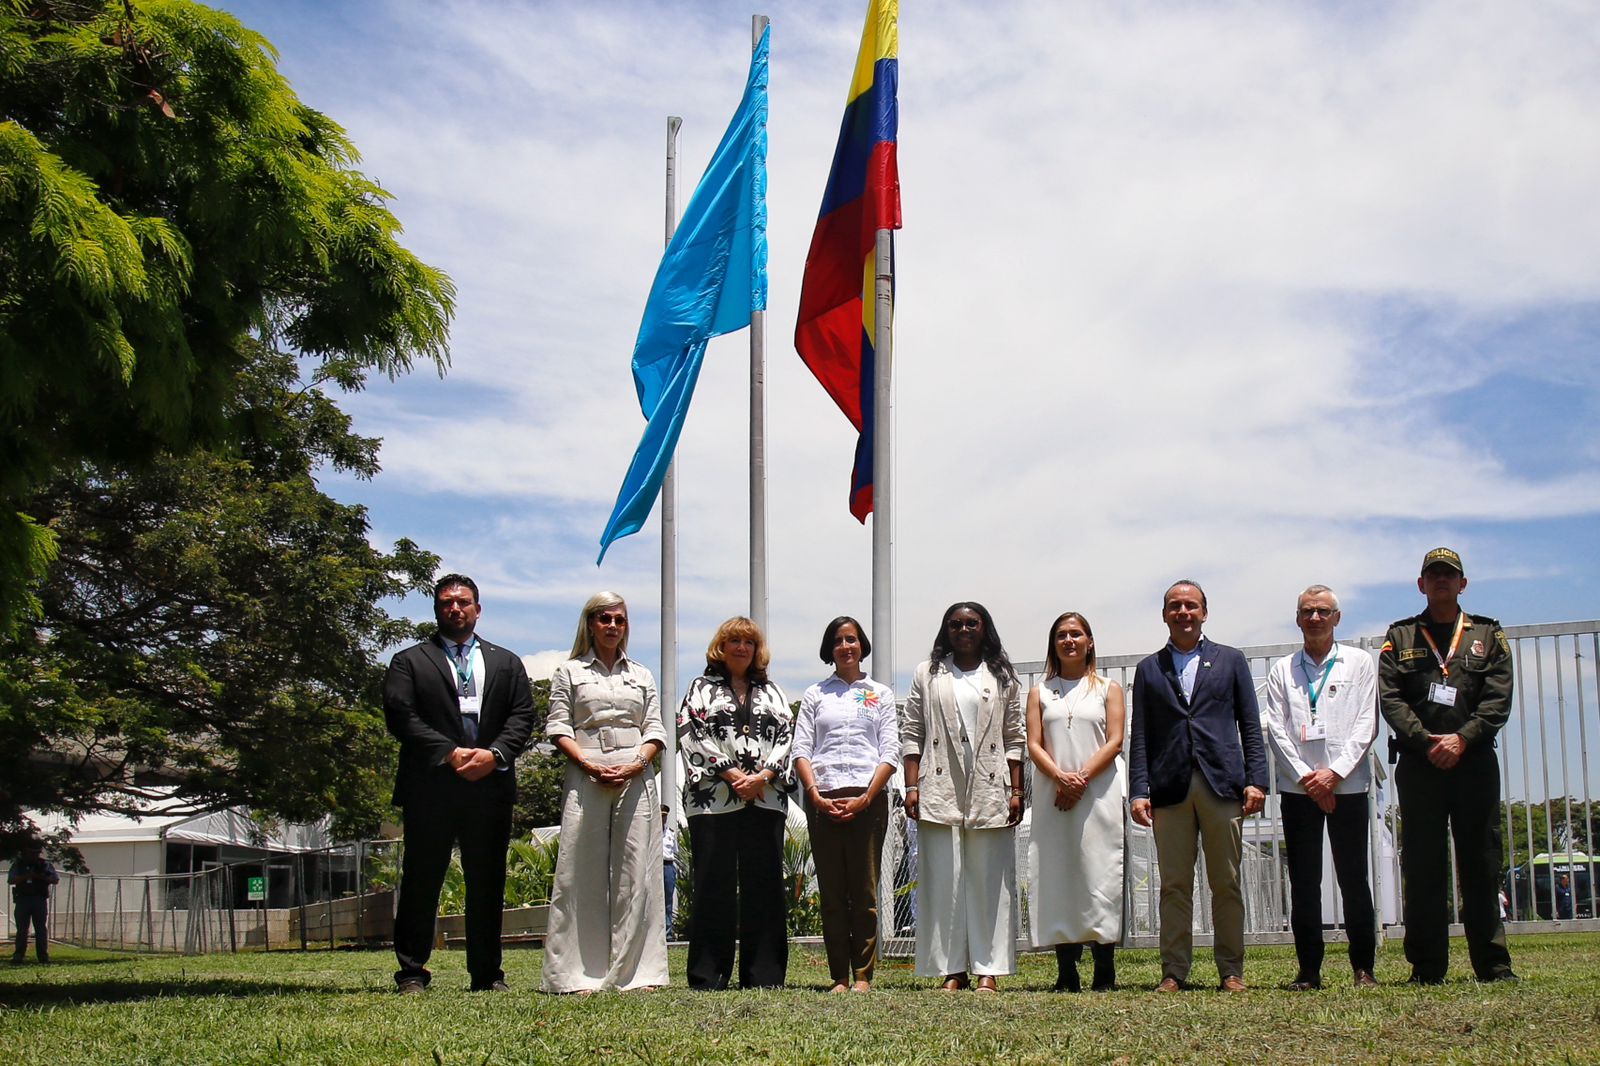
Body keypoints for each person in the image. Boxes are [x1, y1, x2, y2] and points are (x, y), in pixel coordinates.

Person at [384, 573, 537, 994]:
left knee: (487, 882)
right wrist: (450, 753)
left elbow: (522, 715)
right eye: (446, 603)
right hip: (431, 786)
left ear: (477, 609)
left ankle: (487, 975)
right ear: (437, 610)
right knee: (422, 879)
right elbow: (401, 715)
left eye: (463, 602)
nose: (455, 608)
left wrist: (495, 755)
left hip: (490, 787)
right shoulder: (410, 661)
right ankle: (412, 972)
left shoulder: (506, 661)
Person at [1380, 548, 1517, 984]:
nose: (1441, 580)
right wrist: (1426, 742)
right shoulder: (1400, 636)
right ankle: (1427, 968)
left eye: (1449, 574)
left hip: (1474, 761)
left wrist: (1462, 739)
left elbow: (1498, 699)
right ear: (1421, 584)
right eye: (1433, 574)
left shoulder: (1487, 634)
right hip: (1420, 767)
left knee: (1482, 862)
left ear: (1463, 584)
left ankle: (1493, 966)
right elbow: (1391, 698)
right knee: (1423, 867)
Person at [1130, 580, 1268, 993]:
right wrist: (1139, 790)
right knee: (1174, 884)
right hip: (1170, 788)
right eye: (1175, 606)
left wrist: (1256, 780)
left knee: (1225, 881)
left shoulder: (1231, 660)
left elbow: (1250, 726)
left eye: (1191, 605)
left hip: (1222, 784)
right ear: (1165, 615)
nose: (1183, 612)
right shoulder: (1148, 669)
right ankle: (1174, 971)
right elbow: (1140, 736)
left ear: (1204, 612)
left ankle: (1231, 970)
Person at [541, 592, 668, 993]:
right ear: (590, 624)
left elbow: (656, 729)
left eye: (620, 620)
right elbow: (559, 726)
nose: (613, 626)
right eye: (605, 619)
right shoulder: (568, 672)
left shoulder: (642, 675)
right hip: (586, 771)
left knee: (638, 873)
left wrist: (637, 763)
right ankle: (575, 975)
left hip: (636, 772)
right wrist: (589, 764)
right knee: (580, 871)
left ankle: (639, 974)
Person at [902, 602, 1025, 993]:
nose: (964, 630)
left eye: (972, 623)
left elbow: (1014, 737)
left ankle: (988, 967)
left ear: (984, 628)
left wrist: (1017, 790)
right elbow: (911, 731)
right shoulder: (928, 673)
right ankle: (951, 969)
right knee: (943, 878)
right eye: (955, 624)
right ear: (946, 630)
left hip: (991, 785)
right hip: (939, 783)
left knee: (990, 879)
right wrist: (911, 786)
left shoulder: (1003, 676)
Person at [1262, 585, 1380, 990]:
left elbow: (1367, 723)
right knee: (1304, 882)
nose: (1315, 618)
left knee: (1353, 878)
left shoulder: (1360, 663)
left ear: (1337, 618)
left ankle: (1364, 968)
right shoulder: (1283, 670)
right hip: (1299, 790)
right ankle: (1309, 970)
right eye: (1307, 611)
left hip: (1347, 786)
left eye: (1323, 611)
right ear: (1297, 618)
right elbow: (1275, 729)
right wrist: (1309, 778)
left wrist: (1335, 774)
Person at [677, 616, 795, 989]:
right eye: (734, 641)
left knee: (765, 885)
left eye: (749, 642)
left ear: (757, 649)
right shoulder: (700, 688)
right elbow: (690, 732)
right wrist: (731, 774)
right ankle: (708, 975)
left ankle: (764, 975)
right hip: (713, 801)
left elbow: (789, 735)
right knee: (714, 884)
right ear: (721, 647)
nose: (742, 648)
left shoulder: (773, 691)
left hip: (765, 798)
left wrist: (763, 777)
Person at [793, 616, 900, 993]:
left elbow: (890, 750)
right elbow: (802, 749)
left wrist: (868, 797)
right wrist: (814, 795)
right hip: (823, 798)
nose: (846, 646)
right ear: (830, 649)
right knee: (833, 892)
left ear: (862, 645)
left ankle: (863, 974)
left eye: (852, 639)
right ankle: (838, 974)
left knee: (865, 891)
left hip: (867, 797)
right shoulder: (815, 695)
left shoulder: (880, 694)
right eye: (838, 640)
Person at [1025, 612, 1127, 992]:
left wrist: (1080, 779)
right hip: (1054, 797)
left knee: (1099, 873)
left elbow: (1115, 740)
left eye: (1076, 634)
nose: (1069, 641)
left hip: (1097, 794)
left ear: (1090, 641)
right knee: (1058, 873)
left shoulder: (1108, 688)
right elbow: (1034, 744)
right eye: (1062, 635)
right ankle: (1066, 970)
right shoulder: (1040, 692)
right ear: (1053, 644)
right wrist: (1059, 779)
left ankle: (1105, 967)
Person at [9, 842, 59, 964]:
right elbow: (11, 880)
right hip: (23, 899)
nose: (33, 856)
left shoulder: (45, 865)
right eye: (31, 853)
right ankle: (18, 955)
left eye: (36, 853)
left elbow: (55, 879)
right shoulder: (18, 865)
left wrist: (39, 877)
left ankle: (43, 956)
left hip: (39, 899)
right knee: (22, 929)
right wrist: (26, 876)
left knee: (41, 929)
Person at [662, 804, 680, 937]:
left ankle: (668, 933)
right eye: (661, 816)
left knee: (668, 901)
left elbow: (674, 851)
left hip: (668, 865)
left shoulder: (671, 833)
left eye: (665, 816)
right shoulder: (651, 832)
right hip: (655, 866)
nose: (663, 818)